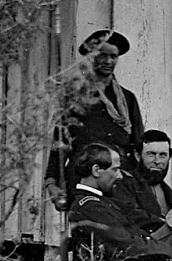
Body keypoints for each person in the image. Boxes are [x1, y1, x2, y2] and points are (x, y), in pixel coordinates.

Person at [45, 29, 145, 210]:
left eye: (113, 56)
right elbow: (60, 146)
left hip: (118, 182)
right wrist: (51, 183)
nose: (108, 61)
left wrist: (138, 185)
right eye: (102, 55)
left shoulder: (127, 99)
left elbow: (137, 144)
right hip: (82, 180)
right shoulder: (74, 97)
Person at [117, 130, 172, 231]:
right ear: (138, 156)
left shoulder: (169, 193)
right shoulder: (125, 184)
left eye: (163, 155)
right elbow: (132, 216)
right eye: (151, 154)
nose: (157, 161)